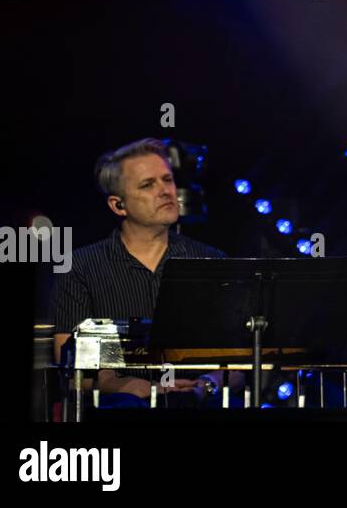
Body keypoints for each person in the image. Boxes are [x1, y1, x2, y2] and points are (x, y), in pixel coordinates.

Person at [51, 137, 230, 404]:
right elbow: (73, 366)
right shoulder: (80, 268)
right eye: (148, 185)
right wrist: (124, 385)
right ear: (117, 205)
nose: (166, 190)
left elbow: (240, 359)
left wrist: (208, 385)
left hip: (199, 401)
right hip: (124, 404)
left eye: (167, 180)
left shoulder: (210, 260)